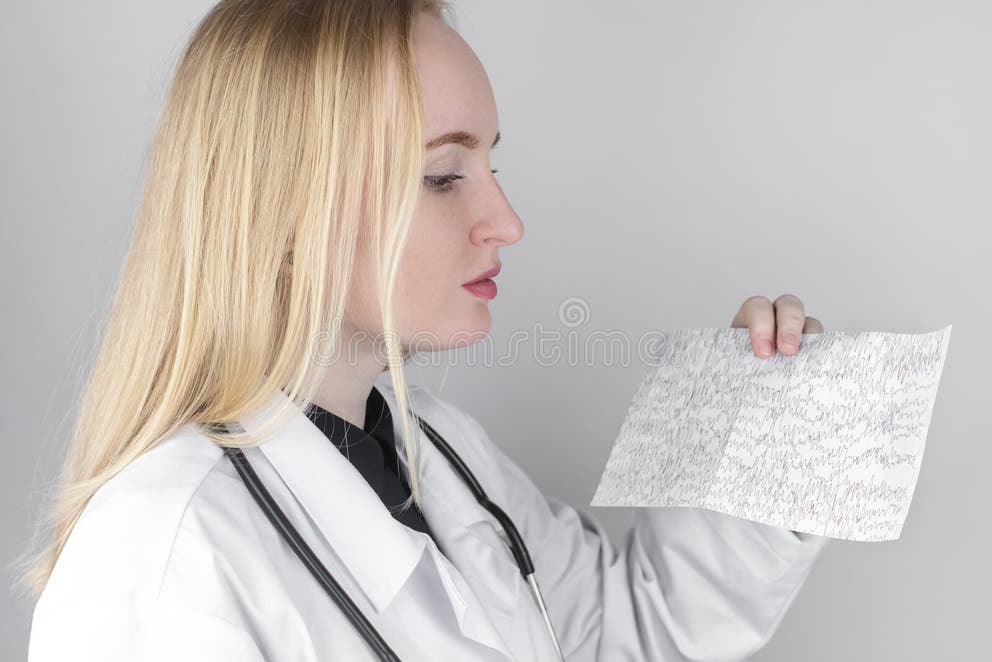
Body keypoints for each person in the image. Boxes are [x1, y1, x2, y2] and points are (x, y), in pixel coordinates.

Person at [18, 1, 829, 660]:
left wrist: (756, 433)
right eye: (444, 177)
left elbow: (617, 634)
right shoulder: (160, 561)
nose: (506, 221)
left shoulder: (439, 451)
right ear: (287, 214)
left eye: (491, 167)